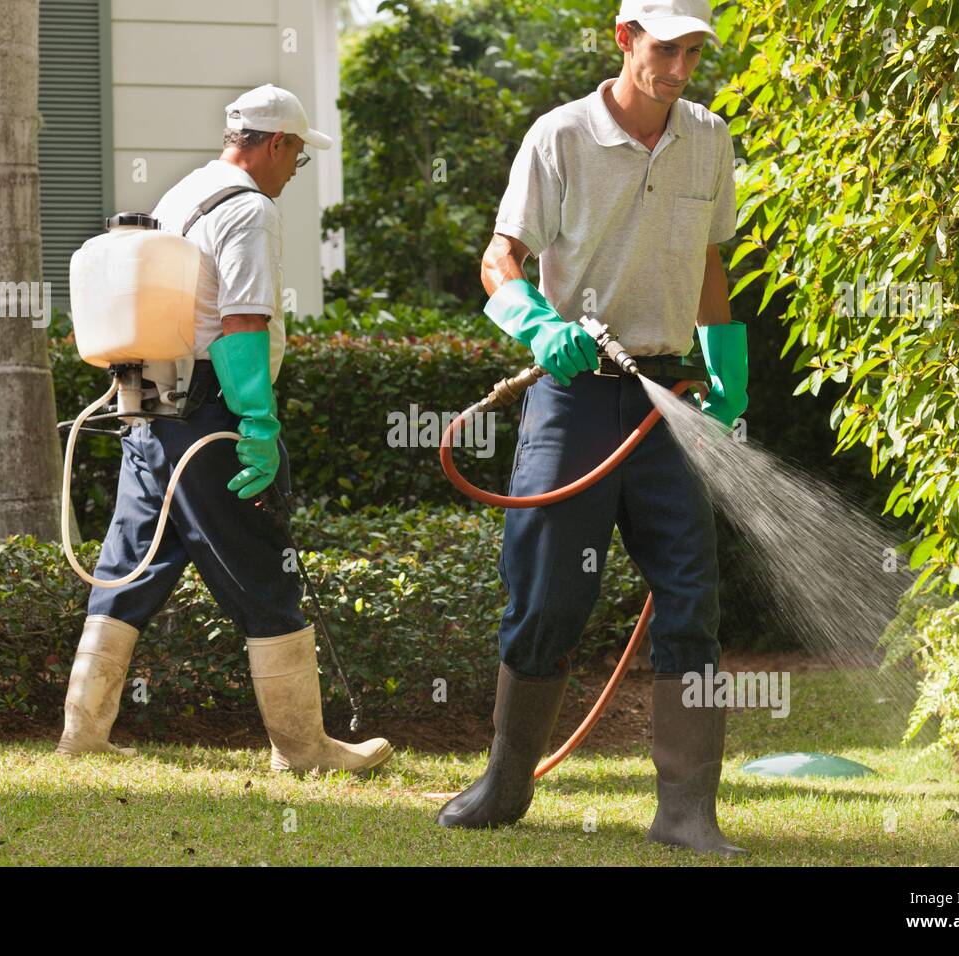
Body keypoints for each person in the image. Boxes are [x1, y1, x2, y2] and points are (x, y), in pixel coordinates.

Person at [436, 0, 749, 856]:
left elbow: (711, 264)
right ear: (624, 39)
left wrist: (728, 368)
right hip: (574, 397)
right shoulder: (560, 136)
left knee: (692, 595)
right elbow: (499, 259)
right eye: (666, 49)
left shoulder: (709, 139)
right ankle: (504, 785)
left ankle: (686, 813)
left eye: (694, 51)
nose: (682, 69)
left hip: (668, 395)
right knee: (546, 595)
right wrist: (538, 325)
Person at [56, 84, 392, 776]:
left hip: (146, 412)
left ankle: (82, 734)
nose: (291, 175)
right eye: (296, 159)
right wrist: (259, 422)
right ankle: (303, 751)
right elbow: (241, 323)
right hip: (210, 413)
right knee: (266, 570)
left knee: (126, 570)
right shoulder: (249, 208)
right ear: (275, 145)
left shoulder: (182, 195)